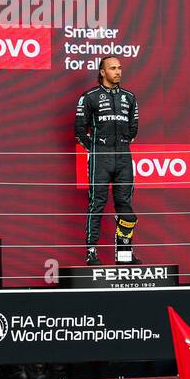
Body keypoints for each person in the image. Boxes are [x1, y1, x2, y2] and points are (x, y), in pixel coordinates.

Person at [75, 56, 139, 265]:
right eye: (113, 68)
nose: (118, 71)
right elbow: (79, 130)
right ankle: (91, 251)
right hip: (100, 157)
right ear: (102, 72)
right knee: (97, 203)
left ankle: (124, 254)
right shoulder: (89, 97)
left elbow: (133, 128)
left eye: (119, 68)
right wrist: (95, 148)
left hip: (123, 155)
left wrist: (121, 144)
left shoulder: (129, 97)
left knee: (125, 204)